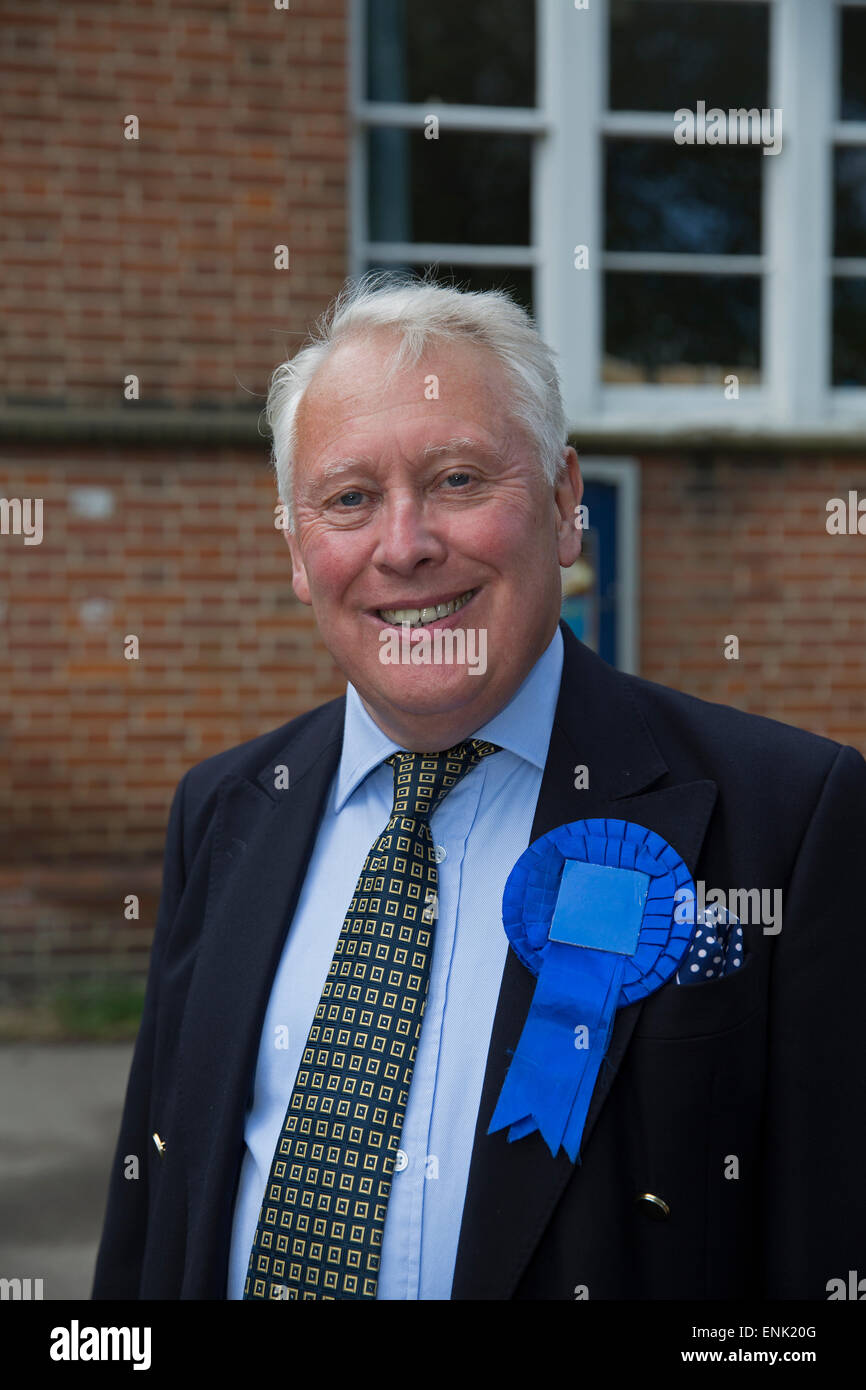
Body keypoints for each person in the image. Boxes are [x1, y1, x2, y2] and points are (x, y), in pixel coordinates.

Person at [92, 275, 866, 1301]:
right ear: (293, 546)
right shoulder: (223, 810)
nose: (404, 543)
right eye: (349, 498)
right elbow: (153, 1221)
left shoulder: (786, 818)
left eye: (456, 479)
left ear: (559, 503)